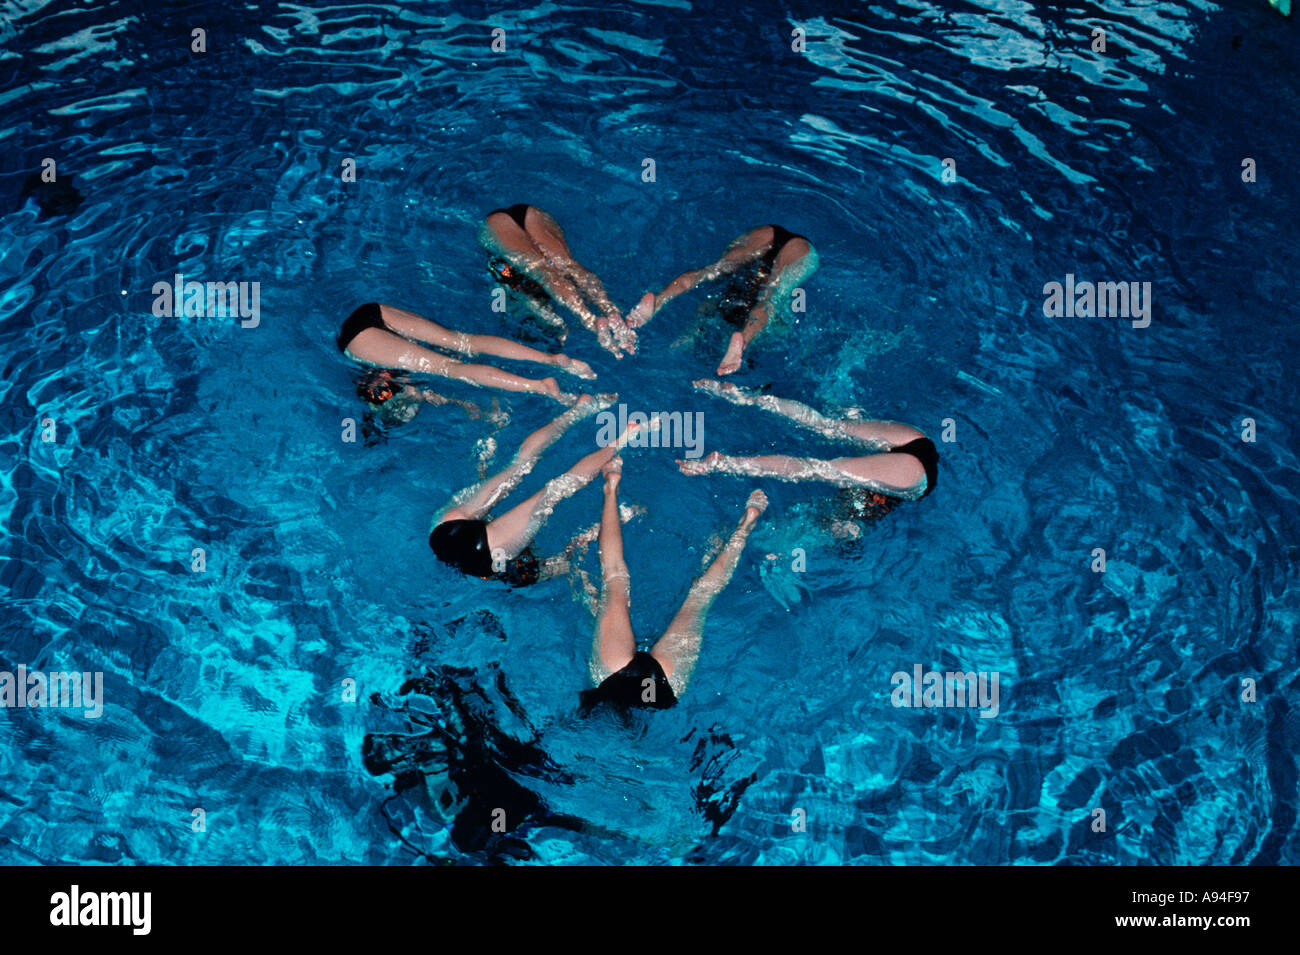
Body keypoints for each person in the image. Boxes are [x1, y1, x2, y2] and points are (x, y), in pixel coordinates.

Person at [580, 455, 767, 712]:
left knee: (700, 597)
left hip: (661, 683)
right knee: (614, 576)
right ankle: (611, 486)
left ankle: (744, 528)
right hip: (626, 675)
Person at [429, 394, 655, 586]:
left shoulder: (522, 573)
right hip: (442, 530)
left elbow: (574, 549)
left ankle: (624, 439)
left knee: (557, 489)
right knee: (519, 464)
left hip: (485, 550)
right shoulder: (517, 570)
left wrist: (625, 515)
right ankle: (579, 409)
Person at [678, 379, 938, 526]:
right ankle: (726, 464)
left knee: (826, 425)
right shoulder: (870, 510)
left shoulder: (876, 498)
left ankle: (744, 396)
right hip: (913, 474)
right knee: (814, 468)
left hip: (918, 439)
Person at [626, 224, 817, 375]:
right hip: (797, 249)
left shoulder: (723, 302)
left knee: (713, 270)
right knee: (768, 301)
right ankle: (742, 344)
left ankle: (659, 300)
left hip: (770, 233)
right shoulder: (721, 303)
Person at [337, 302, 595, 405]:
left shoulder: (379, 391)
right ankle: (550, 359)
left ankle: (538, 386)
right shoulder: (381, 375)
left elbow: (416, 393)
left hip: (361, 341)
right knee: (463, 342)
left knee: (451, 369)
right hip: (369, 312)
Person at [482, 204, 636, 358]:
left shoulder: (525, 299)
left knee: (547, 274)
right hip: (528, 213)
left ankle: (590, 321)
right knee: (570, 265)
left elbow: (518, 302)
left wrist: (562, 329)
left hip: (496, 227)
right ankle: (609, 308)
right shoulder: (527, 296)